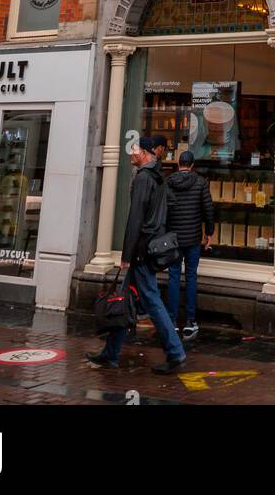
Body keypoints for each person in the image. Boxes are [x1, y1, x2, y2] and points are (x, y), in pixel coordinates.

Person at [86, 137, 186, 374]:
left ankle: (175, 352)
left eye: (135, 148)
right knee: (125, 300)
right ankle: (110, 352)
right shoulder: (158, 177)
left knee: (151, 301)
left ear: (145, 153)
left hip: (141, 250)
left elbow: (135, 218)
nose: (131, 152)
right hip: (149, 248)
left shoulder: (143, 178)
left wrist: (127, 254)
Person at [165, 150, 214, 339]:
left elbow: (164, 209)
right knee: (191, 276)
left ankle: (171, 319)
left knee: (173, 277)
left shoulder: (168, 182)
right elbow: (208, 209)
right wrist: (209, 233)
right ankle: (190, 321)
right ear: (192, 165)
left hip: (174, 238)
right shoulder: (200, 182)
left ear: (179, 164)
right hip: (193, 238)